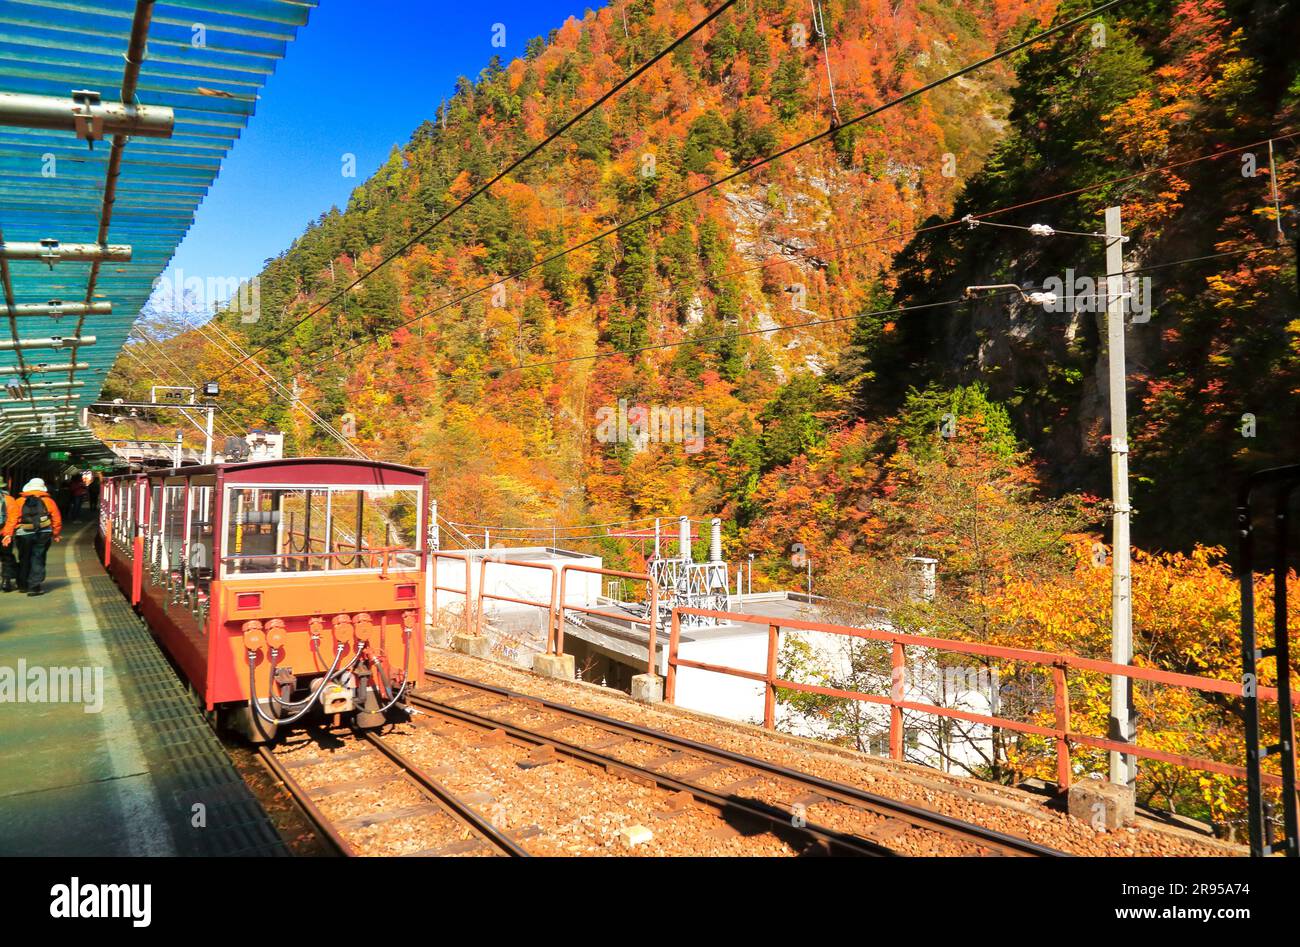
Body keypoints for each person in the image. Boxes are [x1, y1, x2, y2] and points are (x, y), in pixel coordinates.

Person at [2, 477, 62, 596]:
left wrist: (8, 534)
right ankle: (34, 587)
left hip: (23, 533)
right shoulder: (49, 501)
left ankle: (22, 585)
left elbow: (13, 518)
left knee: (24, 558)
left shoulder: (19, 501)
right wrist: (56, 533)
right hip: (43, 533)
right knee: (38, 558)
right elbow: (56, 519)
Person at [0, 486, 19, 593]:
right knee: (6, 557)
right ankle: (6, 582)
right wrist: (8, 534)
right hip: (4, 534)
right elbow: (13, 517)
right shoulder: (9, 499)